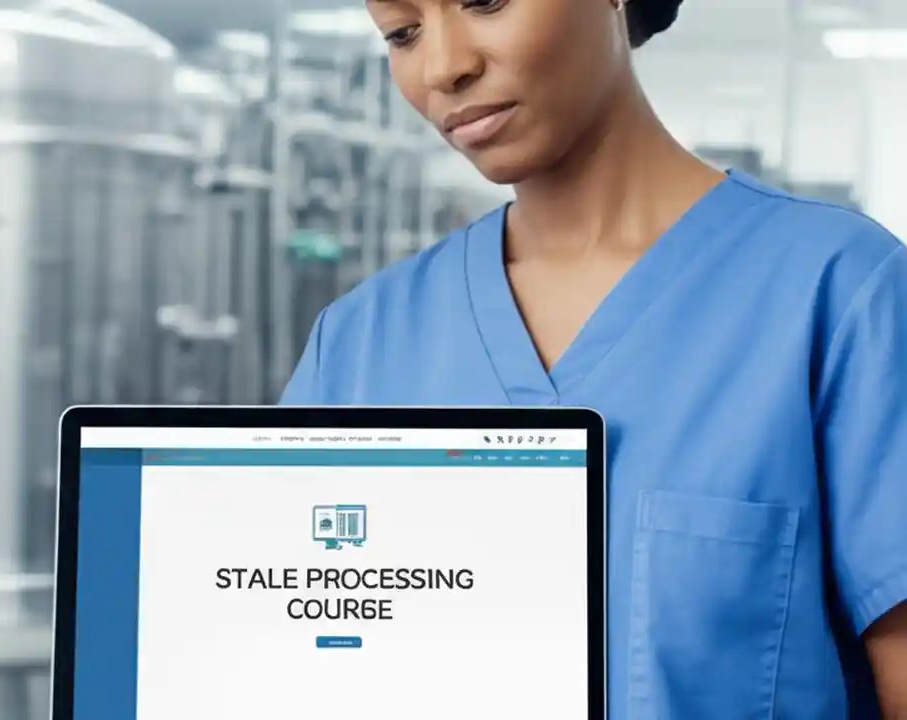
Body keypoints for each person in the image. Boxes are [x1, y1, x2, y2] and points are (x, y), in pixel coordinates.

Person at [279, 0, 907, 716]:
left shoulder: (840, 293)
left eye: (485, 2)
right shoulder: (358, 345)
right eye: (403, 33)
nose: (444, 67)